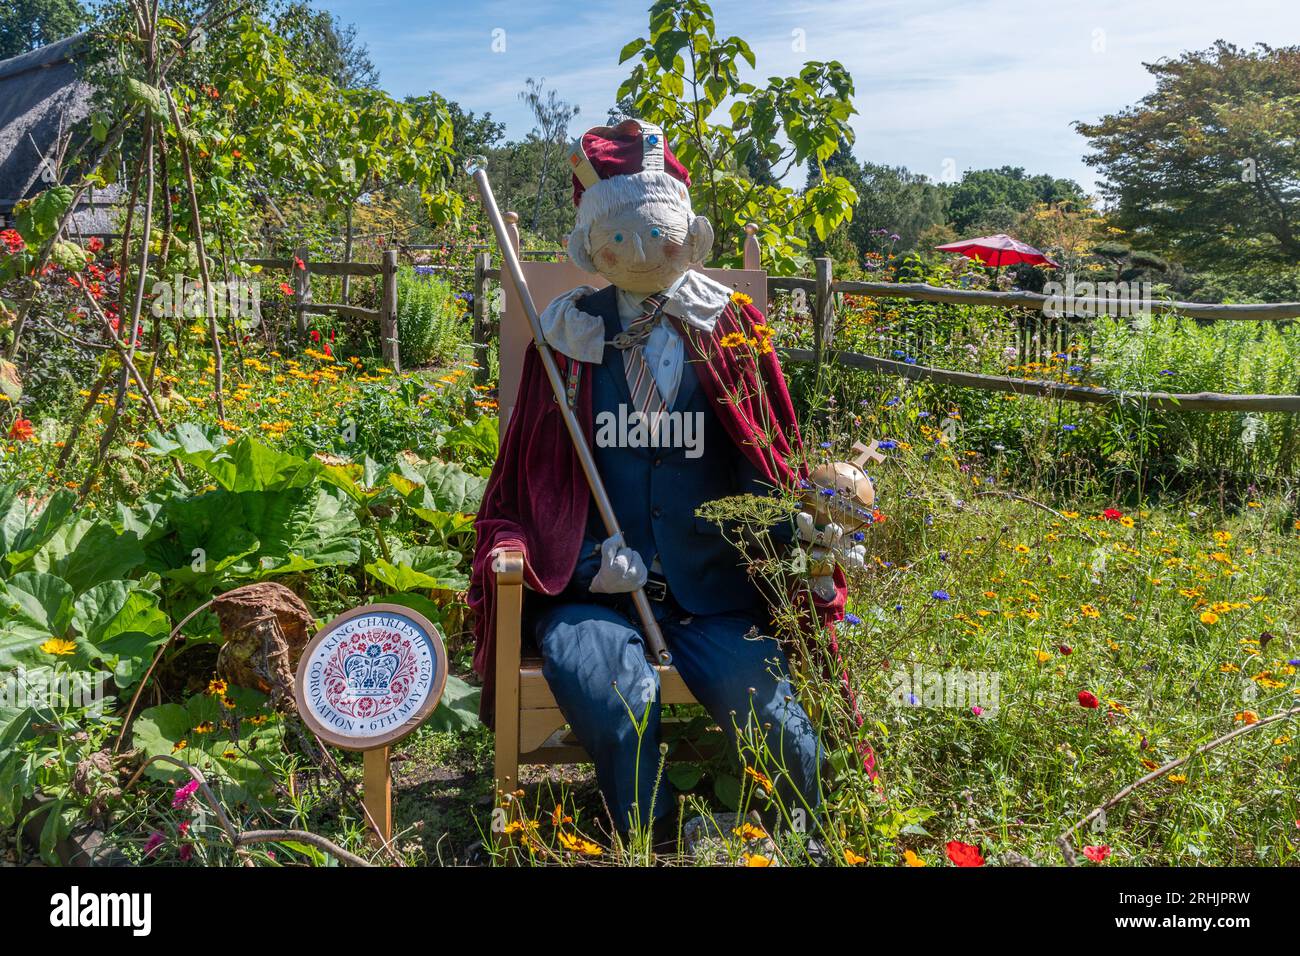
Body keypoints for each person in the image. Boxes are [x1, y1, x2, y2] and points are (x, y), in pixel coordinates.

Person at [469, 119, 858, 838]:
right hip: (592, 594)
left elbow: (764, 459)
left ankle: (798, 838)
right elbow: (532, 475)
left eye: (656, 233)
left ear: (689, 232)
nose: (641, 250)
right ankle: (652, 839)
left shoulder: (730, 330)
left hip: (712, 592)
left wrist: (797, 527)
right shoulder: (565, 336)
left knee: (773, 717)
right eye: (619, 238)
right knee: (617, 702)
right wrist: (587, 557)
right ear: (592, 245)